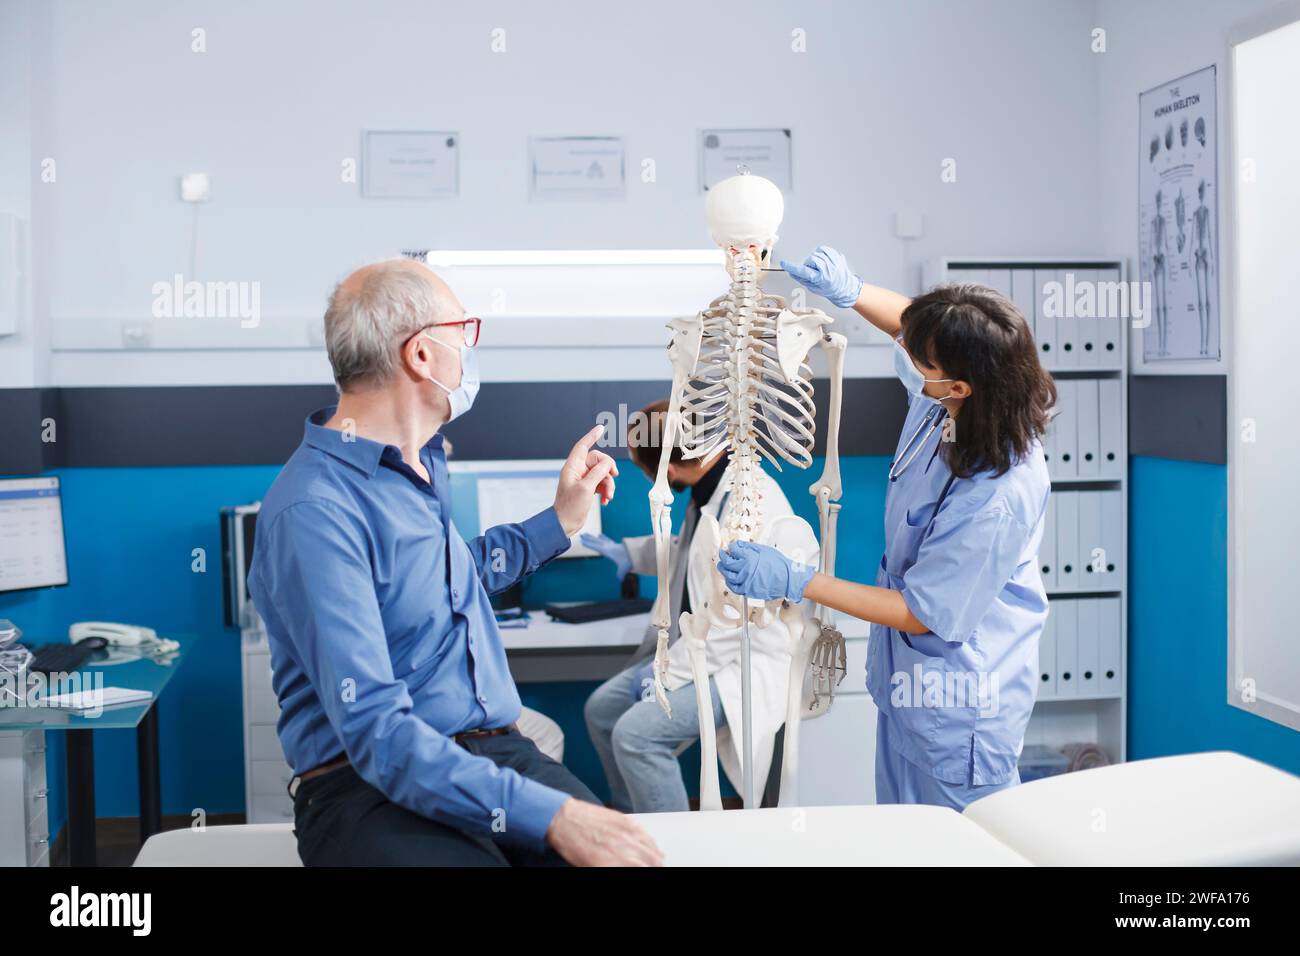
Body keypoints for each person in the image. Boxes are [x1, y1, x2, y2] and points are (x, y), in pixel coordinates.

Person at [247, 258, 662, 866]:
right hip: (368, 787)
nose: (469, 351)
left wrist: (560, 522)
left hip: (493, 754)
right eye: (463, 331)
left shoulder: (417, 467)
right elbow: (377, 733)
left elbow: (446, 578)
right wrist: (551, 816)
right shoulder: (314, 509)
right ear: (421, 355)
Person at [718, 246, 1053, 812]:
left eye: (922, 363)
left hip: (959, 711)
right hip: (909, 697)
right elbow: (911, 327)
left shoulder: (1000, 494)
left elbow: (921, 612)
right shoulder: (947, 404)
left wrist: (796, 578)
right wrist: (852, 291)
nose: (910, 362)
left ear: (958, 386)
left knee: (963, 855)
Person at [582, 399, 813, 811]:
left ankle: (672, 849)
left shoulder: (748, 506)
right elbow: (691, 552)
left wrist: (665, 675)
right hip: (699, 649)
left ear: (668, 471)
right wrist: (629, 553)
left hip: (741, 660)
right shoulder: (712, 487)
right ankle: (635, 821)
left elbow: (733, 624)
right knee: (602, 711)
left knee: (636, 736)